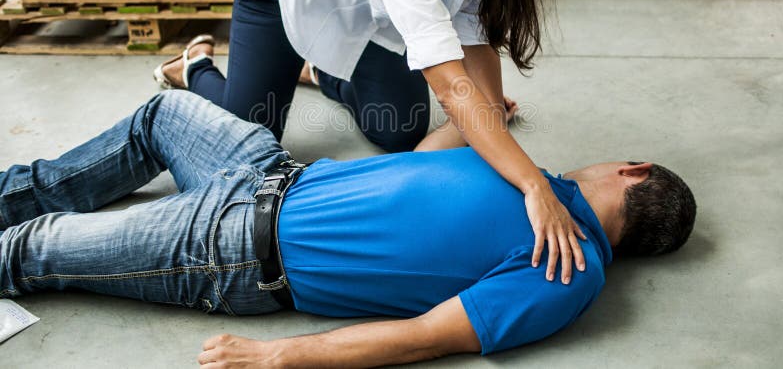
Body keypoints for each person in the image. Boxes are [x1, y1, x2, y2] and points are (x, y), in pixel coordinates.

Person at [0, 91, 697, 366]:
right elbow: (419, 173)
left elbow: (429, 336)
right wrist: (470, 123)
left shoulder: (569, 270)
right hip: (268, 171)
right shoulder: (535, 180)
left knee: (34, 250)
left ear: (632, 171)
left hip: (232, 252)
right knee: (163, 115)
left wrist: (278, 357)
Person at [153, 0, 592, 283]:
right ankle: (196, 67)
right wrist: (534, 184)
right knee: (245, 151)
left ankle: (320, 71)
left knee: (398, 131)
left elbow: (475, 63)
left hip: (375, 7)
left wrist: (488, 114)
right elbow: (453, 89)